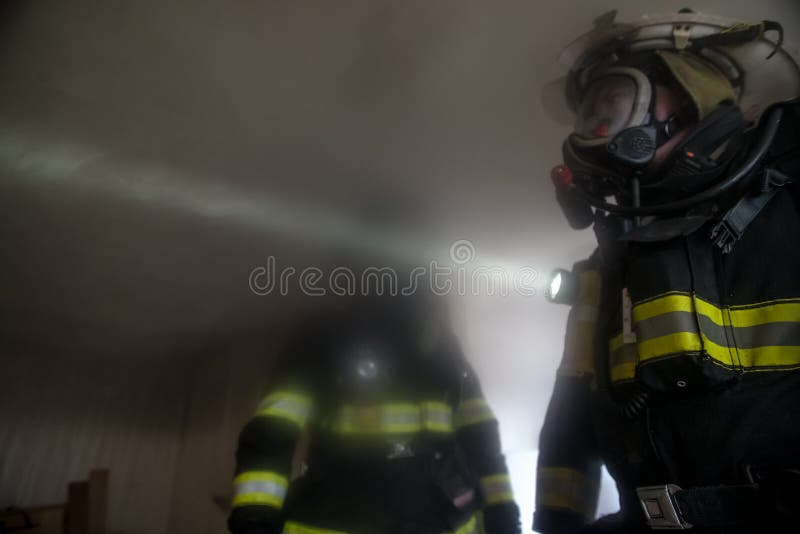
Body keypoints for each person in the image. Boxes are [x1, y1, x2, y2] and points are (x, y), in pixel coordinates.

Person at [534, 9, 800, 534]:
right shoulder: (605, 268)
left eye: (613, 104)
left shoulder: (789, 216)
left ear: (692, 96)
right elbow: (571, 422)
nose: (597, 134)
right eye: (590, 114)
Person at [227, 245, 521, 533]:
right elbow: (271, 436)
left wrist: (503, 513)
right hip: (341, 517)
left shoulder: (442, 348)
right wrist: (254, 521)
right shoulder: (321, 340)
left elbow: (481, 440)